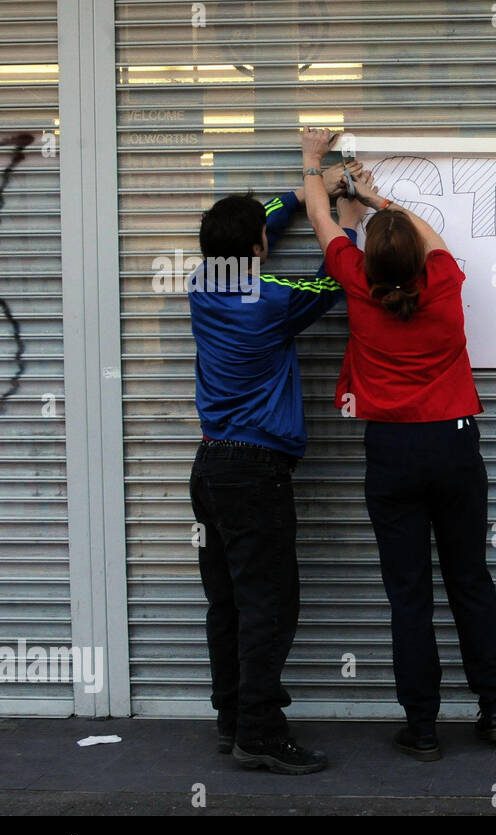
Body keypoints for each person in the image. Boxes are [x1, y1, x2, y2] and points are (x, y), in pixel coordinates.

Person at [298, 129, 496, 761]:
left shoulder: (357, 286)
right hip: (453, 446)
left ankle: (421, 727)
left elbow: (318, 219)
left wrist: (316, 164)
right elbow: (430, 237)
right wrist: (374, 197)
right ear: (417, 258)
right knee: (470, 578)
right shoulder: (444, 286)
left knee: (408, 593)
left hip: (391, 452)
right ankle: (493, 708)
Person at [189, 161, 359, 774]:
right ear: (259, 248)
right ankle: (259, 732)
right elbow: (333, 281)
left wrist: (300, 188)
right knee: (269, 604)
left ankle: (232, 718)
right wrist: (346, 218)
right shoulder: (272, 303)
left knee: (228, 602)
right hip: (253, 473)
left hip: (210, 470)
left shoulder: (201, 284)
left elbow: (245, 227)